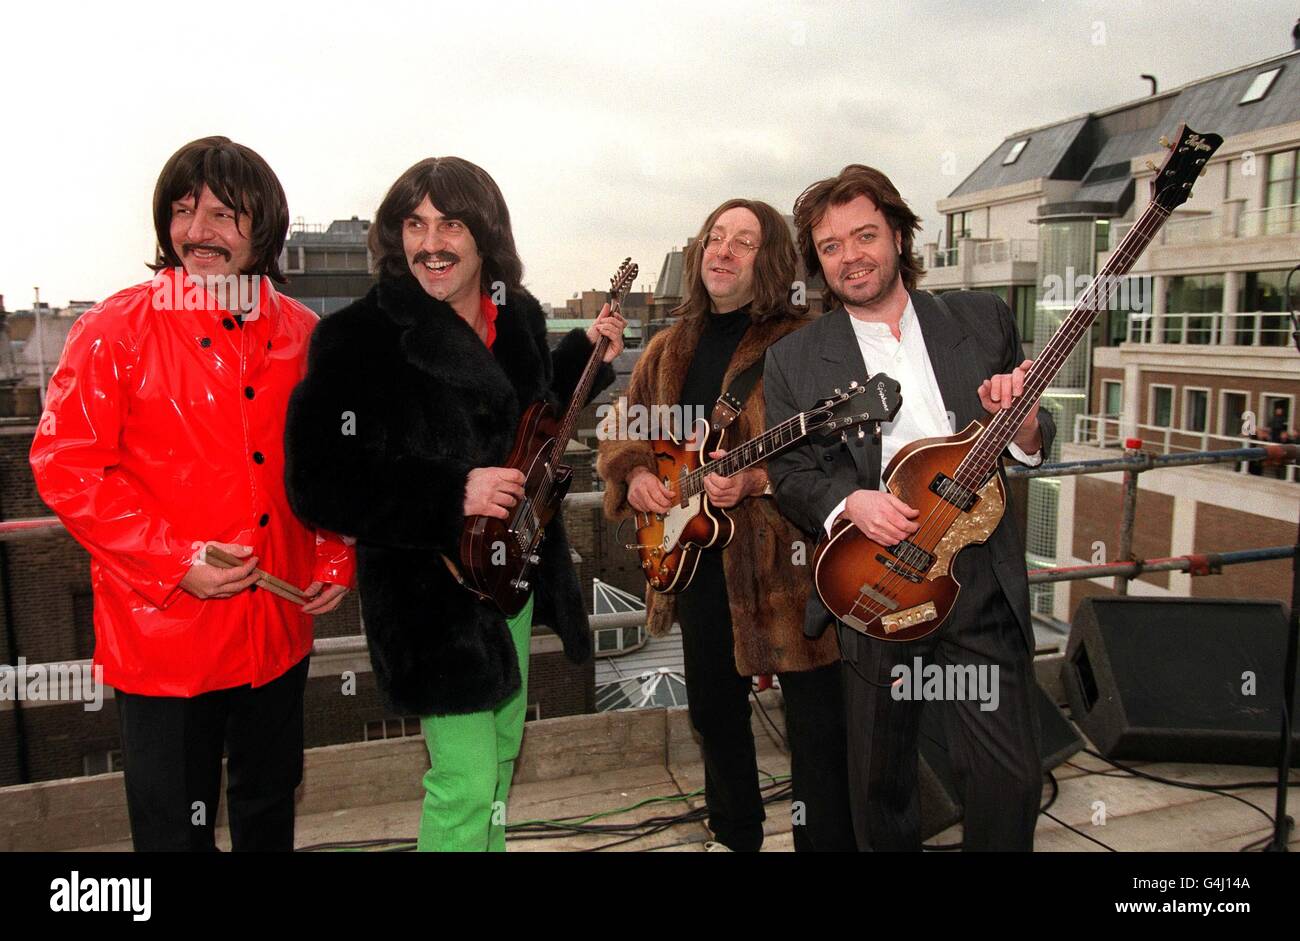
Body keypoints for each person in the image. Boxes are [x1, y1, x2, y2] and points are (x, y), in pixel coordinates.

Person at [284, 156, 624, 852]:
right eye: (414, 223)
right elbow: (317, 477)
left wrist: (589, 357)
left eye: (450, 223)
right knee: (464, 784)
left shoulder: (520, 315)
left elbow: (535, 421)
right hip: (428, 593)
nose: (430, 242)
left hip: (513, 576)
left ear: (484, 234)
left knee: (497, 767)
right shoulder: (356, 338)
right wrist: (450, 490)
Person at [30, 136, 355, 852]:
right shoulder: (114, 329)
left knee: (269, 809)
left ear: (264, 227)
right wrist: (176, 561)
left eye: (221, 214)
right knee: (174, 830)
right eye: (181, 211)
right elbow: (65, 464)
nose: (196, 232)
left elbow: (327, 461)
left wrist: (333, 549)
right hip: (164, 637)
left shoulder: (305, 335)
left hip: (275, 627)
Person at [764, 165, 1057, 851]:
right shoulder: (795, 360)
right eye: (831, 246)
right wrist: (849, 503)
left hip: (978, 576)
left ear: (899, 234)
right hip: (876, 582)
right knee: (881, 785)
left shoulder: (984, 321)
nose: (850, 256)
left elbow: (1030, 440)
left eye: (864, 235)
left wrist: (1026, 430)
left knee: (1010, 777)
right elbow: (792, 473)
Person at [597, 199, 856, 852]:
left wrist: (760, 480)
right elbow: (624, 427)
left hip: (790, 570)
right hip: (695, 564)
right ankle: (735, 835)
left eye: (743, 242)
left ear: (768, 261)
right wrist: (633, 475)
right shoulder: (667, 348)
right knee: (715, 716)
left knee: (817, 730)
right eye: (715, 237)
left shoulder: (808, 341)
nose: (723, 250)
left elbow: (844, 454)